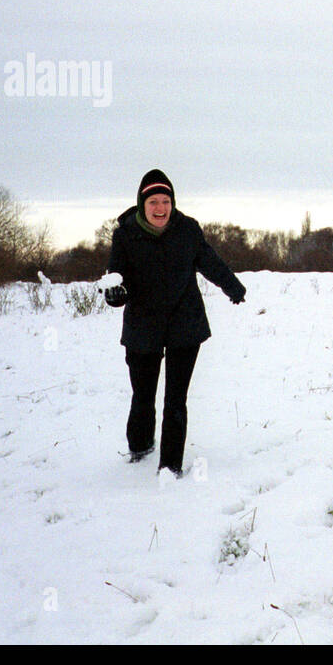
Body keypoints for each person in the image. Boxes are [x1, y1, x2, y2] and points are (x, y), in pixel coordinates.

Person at [103, 169, 247, 478]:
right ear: (142, 204)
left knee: (175, 399)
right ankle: (140, 447)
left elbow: (211, 262)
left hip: (185, 324)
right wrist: (115, 295)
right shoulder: (125, 234)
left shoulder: (188, 230)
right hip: (143, 326)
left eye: (165, 201)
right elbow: (116, 277)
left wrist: (232, 287)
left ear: (173, 202)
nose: (160, 208)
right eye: (153, 201)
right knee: (142, 395)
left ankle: (170, 465)